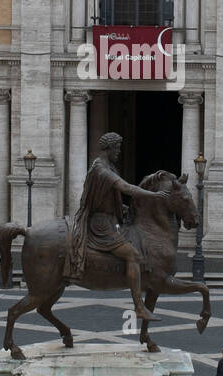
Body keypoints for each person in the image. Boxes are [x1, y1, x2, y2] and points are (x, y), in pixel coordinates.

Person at [66, 131, 168, 321]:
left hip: (110, 218)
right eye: (118, 148)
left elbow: (109, 197)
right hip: (101, 224)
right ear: (109, 148)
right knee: (133, 255)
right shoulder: (100, 169)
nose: (119, 151)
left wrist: (126, 208)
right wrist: (154, 196)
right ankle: (138, 307)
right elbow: (126, 188)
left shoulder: (108, 166)